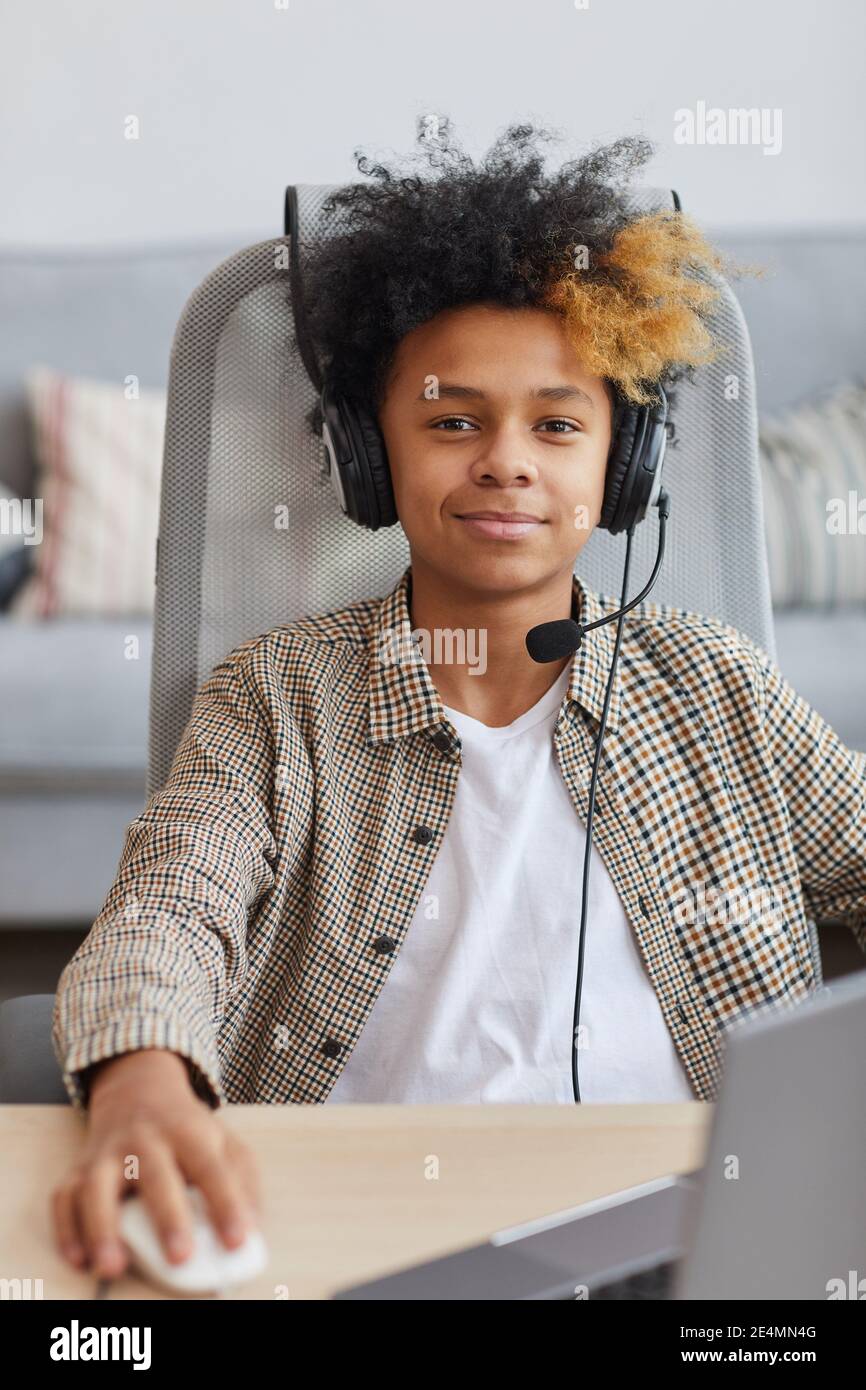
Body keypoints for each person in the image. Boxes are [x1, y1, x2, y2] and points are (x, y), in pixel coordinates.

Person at [50, 121, 866, 1282]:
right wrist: (139, 1080)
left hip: (695, 1234)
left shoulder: (716, 688)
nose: (504, 461)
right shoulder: (277, 699)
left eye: (555, 423)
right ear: (366, 457)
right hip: (372, 1229)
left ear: (618, 469)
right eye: (450, 420)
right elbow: (168, 911)